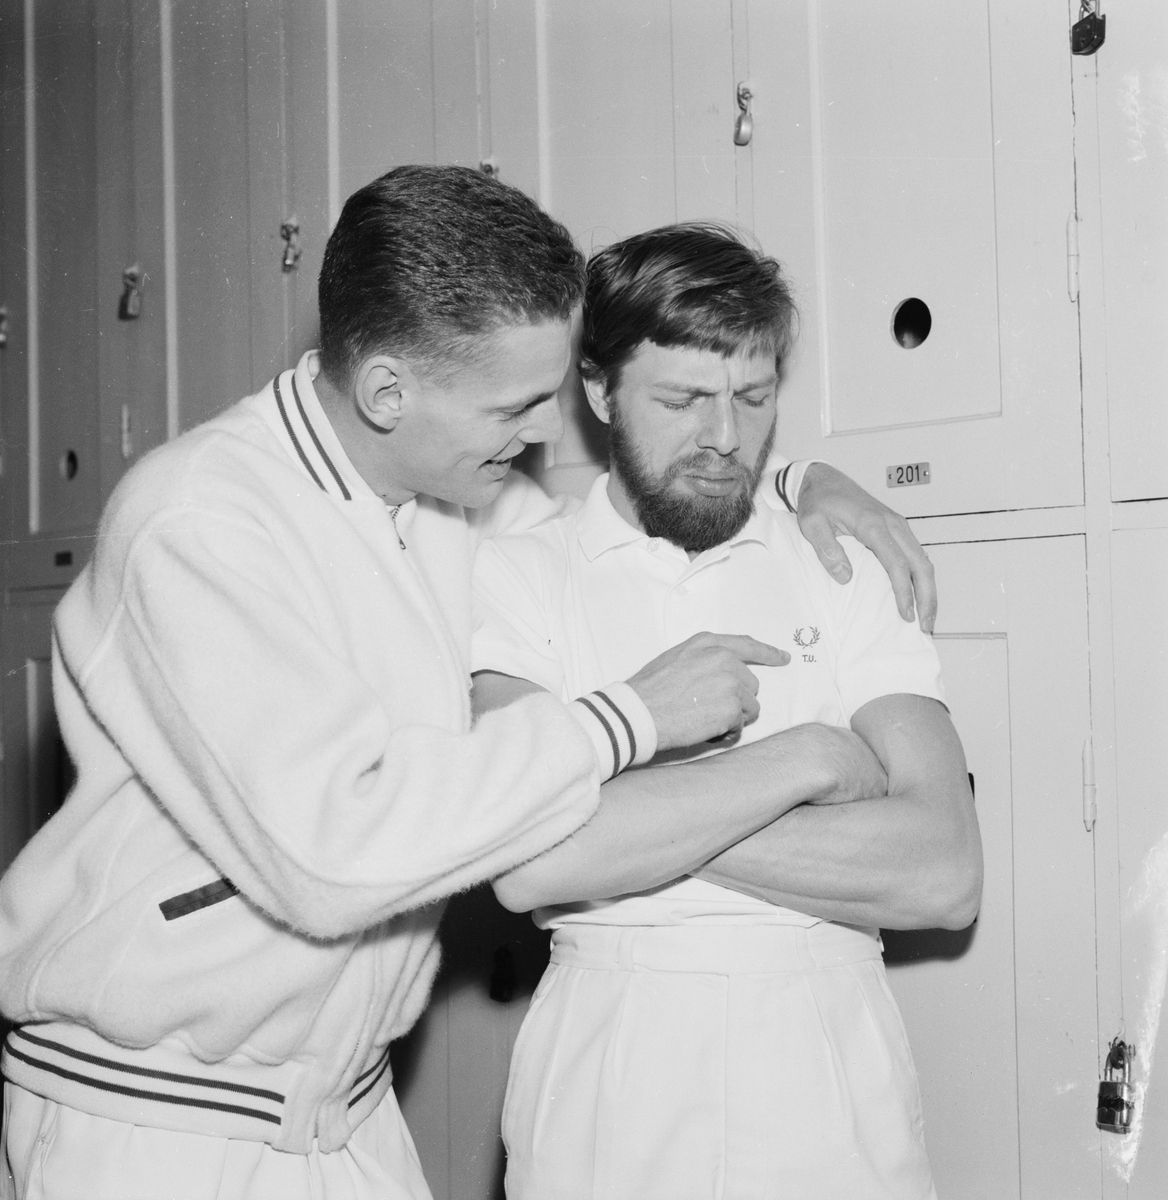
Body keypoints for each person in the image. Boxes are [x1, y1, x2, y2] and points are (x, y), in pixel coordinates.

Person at [0, 169, 936, 1200]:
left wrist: (800, 481)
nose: (543, 434)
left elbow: (629, 515)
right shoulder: (201, 521)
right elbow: (335, 856)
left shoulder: (451, 490)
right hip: (157, 1122)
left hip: (346, 1112)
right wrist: (631, 720)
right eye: (516, 405)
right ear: (387, 393)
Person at [471, 224, 983, 1200]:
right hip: (607, 1075)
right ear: (598, 390)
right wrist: (804, 760)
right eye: (680, 401)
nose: (724, 438)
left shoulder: (843, 563)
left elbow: (944, 871)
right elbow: (526, 858)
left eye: (753, 398)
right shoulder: (519, 575)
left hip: (829, 1078)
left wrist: (623, 811)